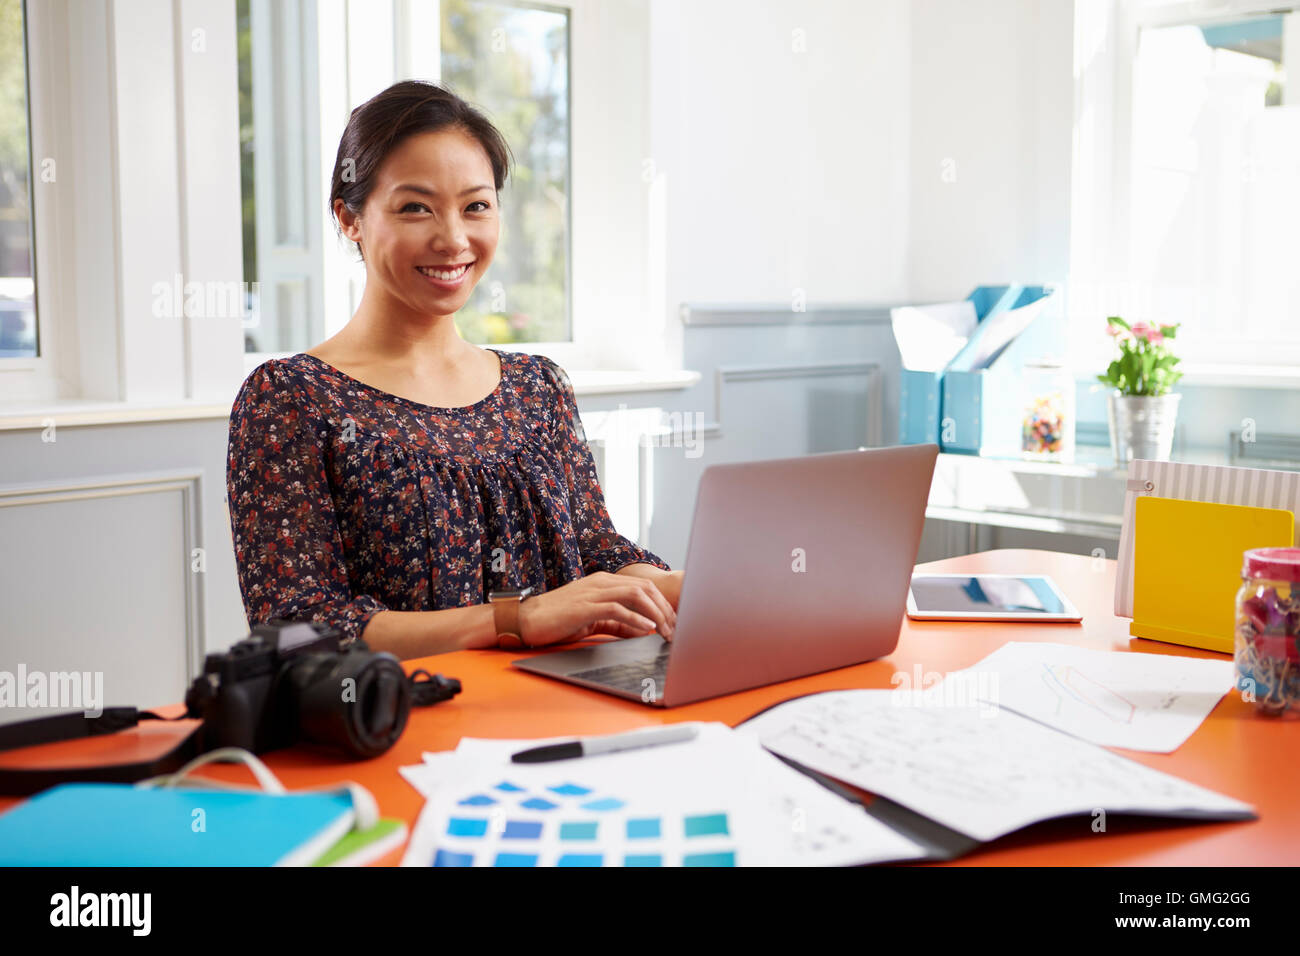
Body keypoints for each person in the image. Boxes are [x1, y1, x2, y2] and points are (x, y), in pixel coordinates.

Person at [226, 80, 680, 660]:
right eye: (416, 207)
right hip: (408, 726)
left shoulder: (537, 387)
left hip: (569, 702)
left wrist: (690, 587)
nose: (454, 238)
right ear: (350, 218)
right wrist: (516, 620)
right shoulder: (291, 398)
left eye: (476, 206)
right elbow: (300, 630)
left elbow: (593, 551)